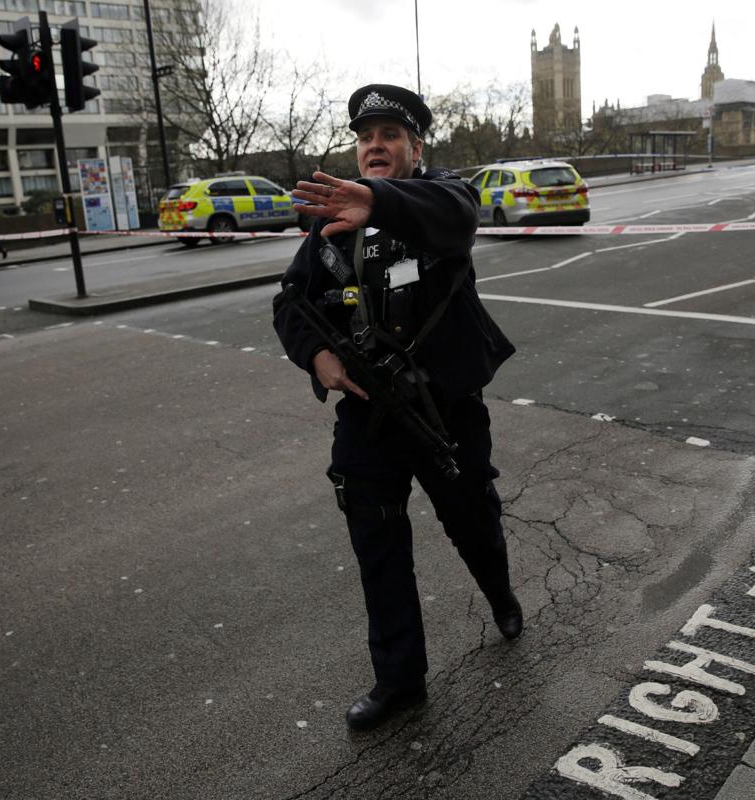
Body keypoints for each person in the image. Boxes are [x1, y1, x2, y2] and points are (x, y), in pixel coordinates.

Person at [273, 84, 519, 732]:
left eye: (388, 136)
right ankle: (400, 679)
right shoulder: (330, 225)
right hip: (369, 416)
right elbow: (289, 304)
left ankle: (500, 594)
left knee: (472, 522)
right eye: (364, 137)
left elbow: (460, 214)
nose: (374, 146)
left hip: (446, 412)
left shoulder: (437, 202)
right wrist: (318, 361)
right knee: (377, 545)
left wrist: (378, 200)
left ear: (415, 147)